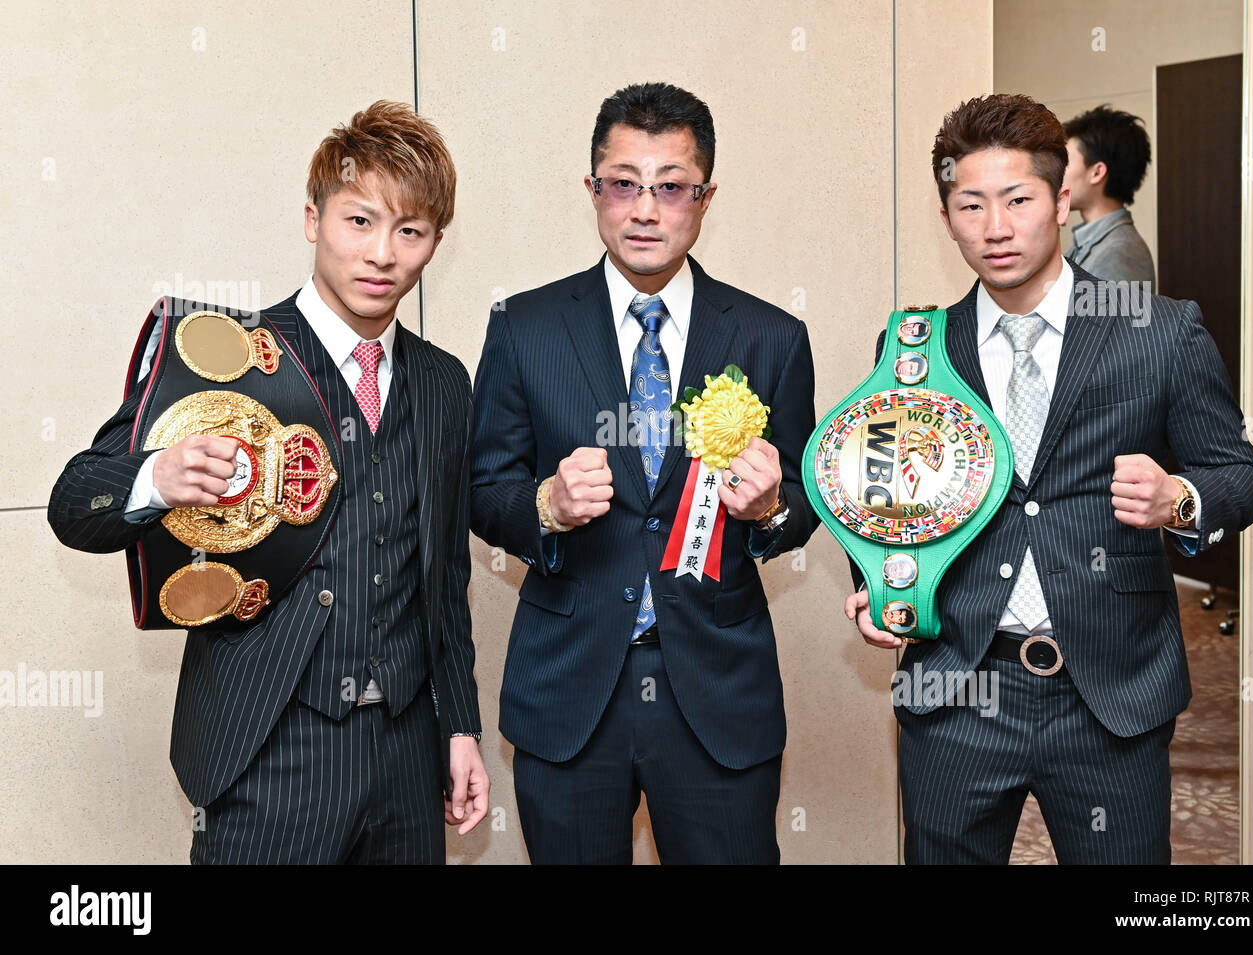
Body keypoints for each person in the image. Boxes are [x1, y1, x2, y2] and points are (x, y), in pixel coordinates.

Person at [47, 100, 489, 863]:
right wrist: (157, 475)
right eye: (359, 221)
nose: (382, 253)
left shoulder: (446, 383)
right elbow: (73, 502)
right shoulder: (230, 357)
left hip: (407, 757)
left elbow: (444, 578)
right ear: (312, 218)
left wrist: (460, 726)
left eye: (409, 231)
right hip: (270, 750)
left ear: (434, 245)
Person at [844, 93, 1253, 864]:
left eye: (1017, 200)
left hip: (1110, 692)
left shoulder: (1159, 329)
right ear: (947, 217)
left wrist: (1179, 496)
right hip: (958, 688)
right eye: (970, 204)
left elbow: (1240, 475)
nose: (995, 227)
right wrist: (880, 587)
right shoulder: (916, 346)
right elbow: (884, 493)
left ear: (1062, 199)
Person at [470, 82, 817, 864]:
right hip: (570, 687)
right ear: (593, 189)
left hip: (718, 691)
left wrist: (767, 511)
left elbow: (806, 502)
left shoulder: (771, 336)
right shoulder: (525, 326)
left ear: (706, 195)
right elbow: (485, 490)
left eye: (671, 187)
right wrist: (547, 506)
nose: (645, 210)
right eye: (622, 184)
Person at [1062, 104, 1156, 284]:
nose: (1056, 171)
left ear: (1096, 173)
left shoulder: (1122, 253)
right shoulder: (1090, 244)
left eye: (1065, 162)